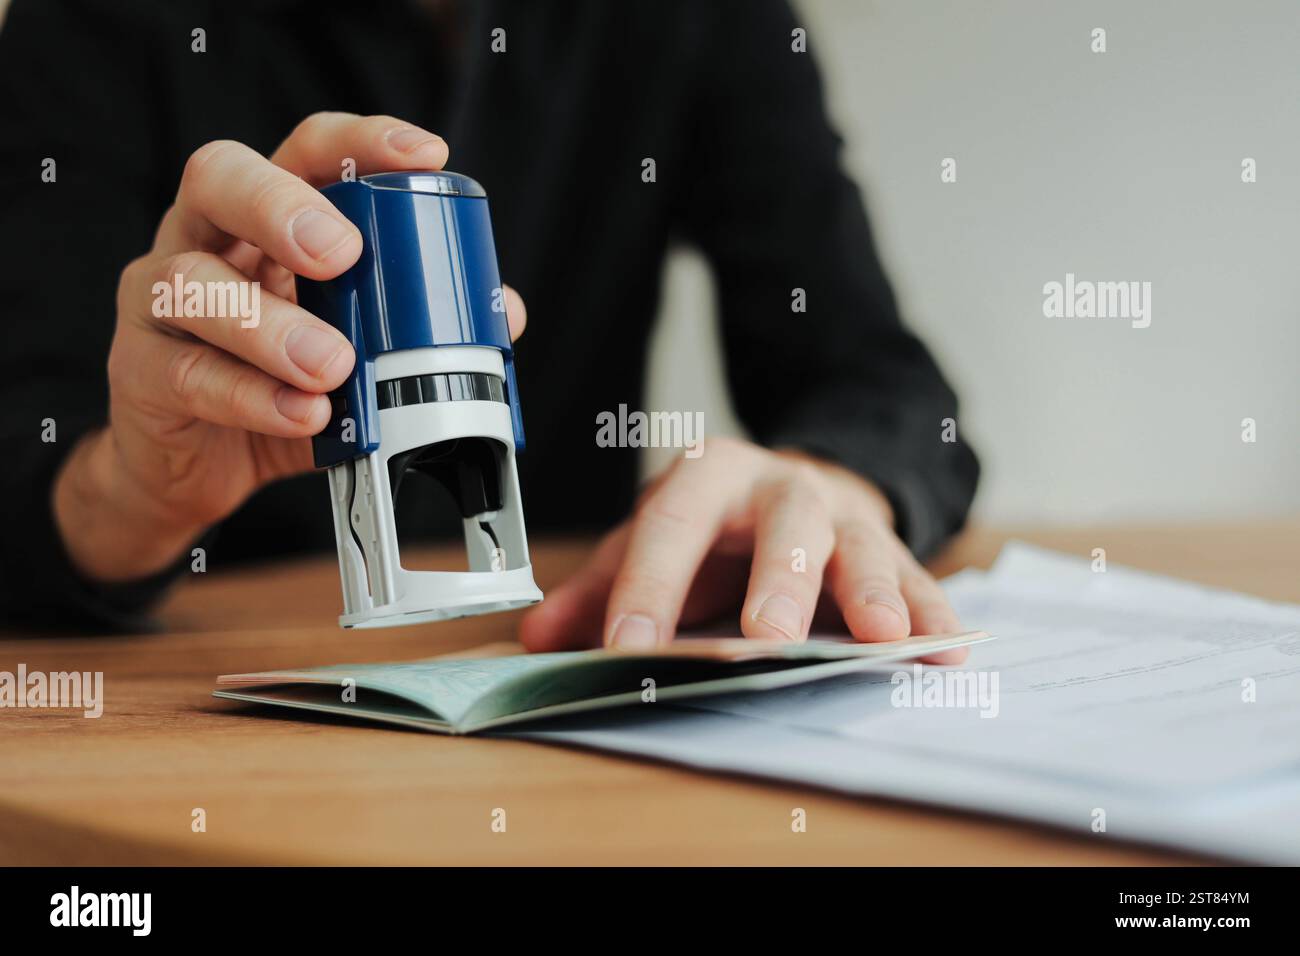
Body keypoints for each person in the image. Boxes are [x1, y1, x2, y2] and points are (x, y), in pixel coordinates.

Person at [0, 0, 979, 660]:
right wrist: (126, 496)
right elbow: (19, 438)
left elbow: (881, 383)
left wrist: (827, 484)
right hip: (213, 694)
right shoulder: (98, 21)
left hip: (554, 673)